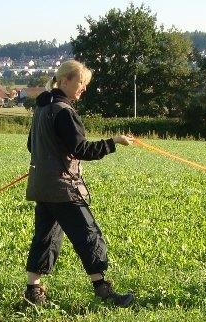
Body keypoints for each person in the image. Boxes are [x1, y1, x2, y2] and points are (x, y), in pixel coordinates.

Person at [24, 59, 135, 307]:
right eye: (81, 83)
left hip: (42, 187)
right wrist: (114, 141)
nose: (83, 88)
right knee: (88, 236)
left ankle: (33, 290)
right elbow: (82, 149)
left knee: (45, 236)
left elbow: (32, 145)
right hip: (64, 188)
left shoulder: (42, 108)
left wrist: (49, 159)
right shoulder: (63, 111)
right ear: (64, 81)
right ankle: (103, 290)